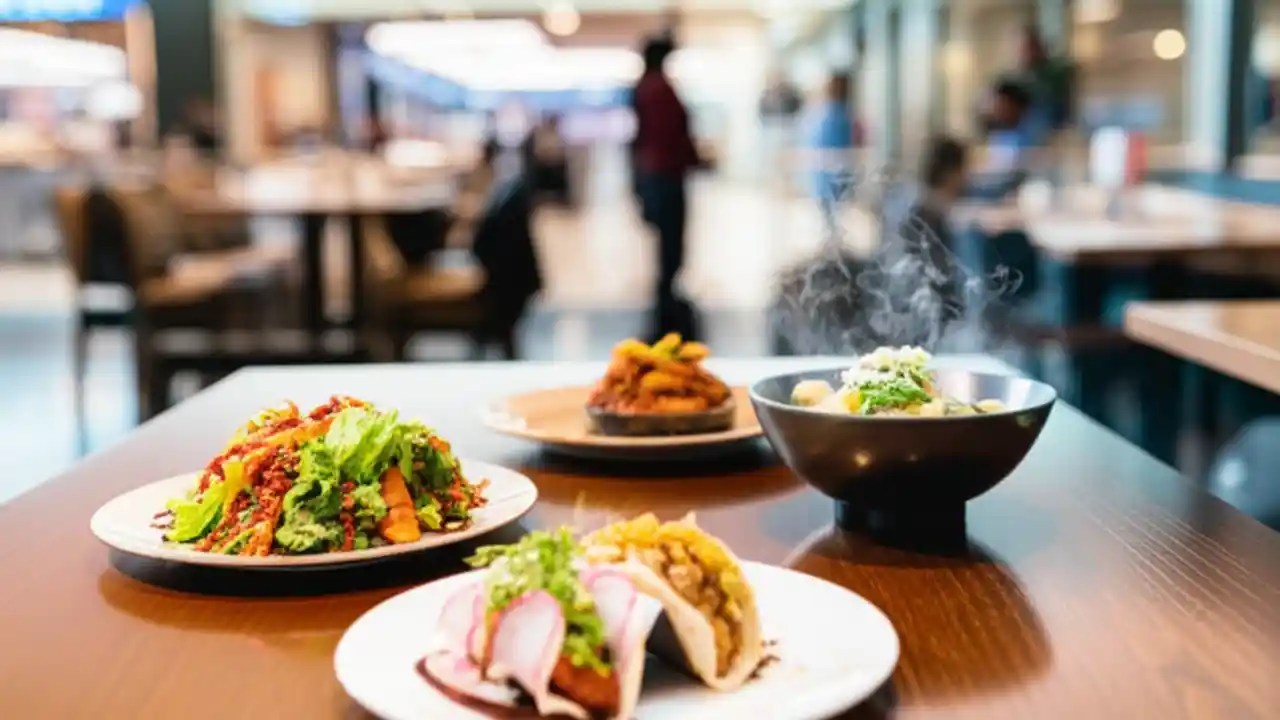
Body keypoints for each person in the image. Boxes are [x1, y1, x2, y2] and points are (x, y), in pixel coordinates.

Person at [631, 34, 701, 341]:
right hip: (665, 178)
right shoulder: (658, 89)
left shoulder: (647, 88)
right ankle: (666, 315)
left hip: (658, 176)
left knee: (668, 250)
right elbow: (671, 137)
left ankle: (666, 308)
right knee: (670, 249)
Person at [804, 74, 856, 233]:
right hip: (830, 172)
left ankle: (832, 239)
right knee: (831, 211)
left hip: (829, 172)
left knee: (831, 210)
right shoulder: (837, 114)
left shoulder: (830, 115)